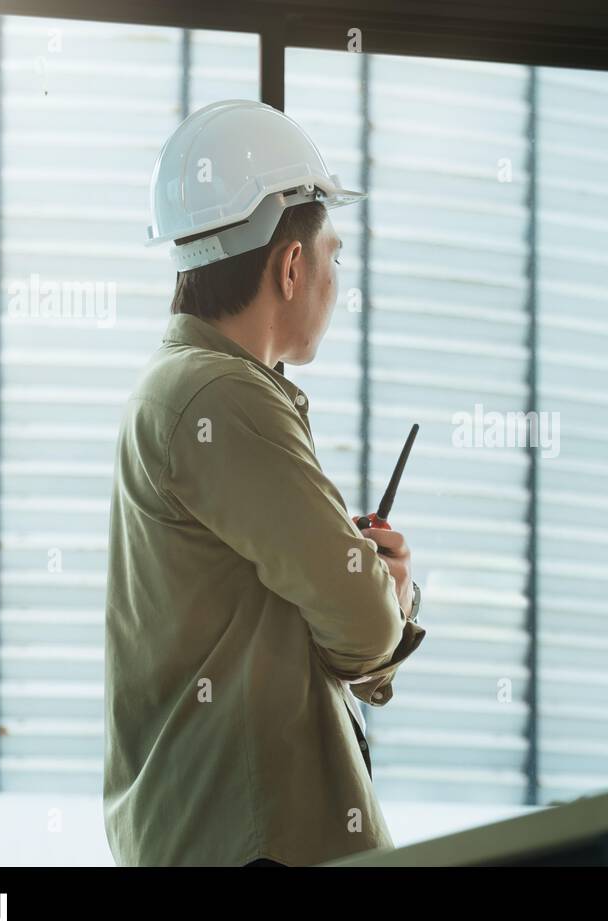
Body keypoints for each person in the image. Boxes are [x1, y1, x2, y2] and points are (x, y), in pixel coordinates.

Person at [102, 100, 426, 866]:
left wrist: (372, 603)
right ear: (289, 266)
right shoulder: (221, 396)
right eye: (333, 256)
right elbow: (363, 626)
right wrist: (393, 599)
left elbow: (343, 625)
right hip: (254, 847)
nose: (334, 278)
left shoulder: (180, 389)